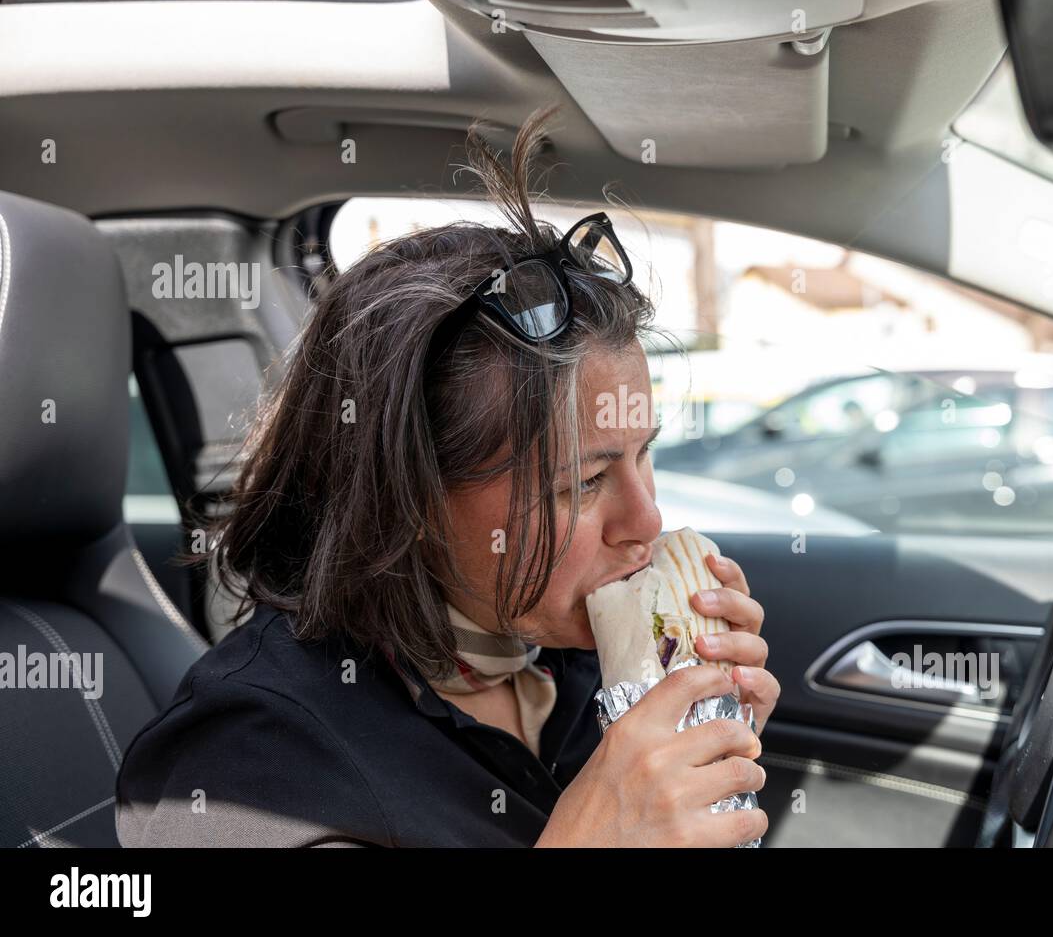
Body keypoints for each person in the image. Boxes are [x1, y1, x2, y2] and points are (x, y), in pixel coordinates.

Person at [115, 107, 779, 848]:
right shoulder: (253, 763)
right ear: (412, 500)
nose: (647, 521)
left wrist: (707, 737)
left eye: (642, 454)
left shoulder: (566, 657)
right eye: (583, 484)